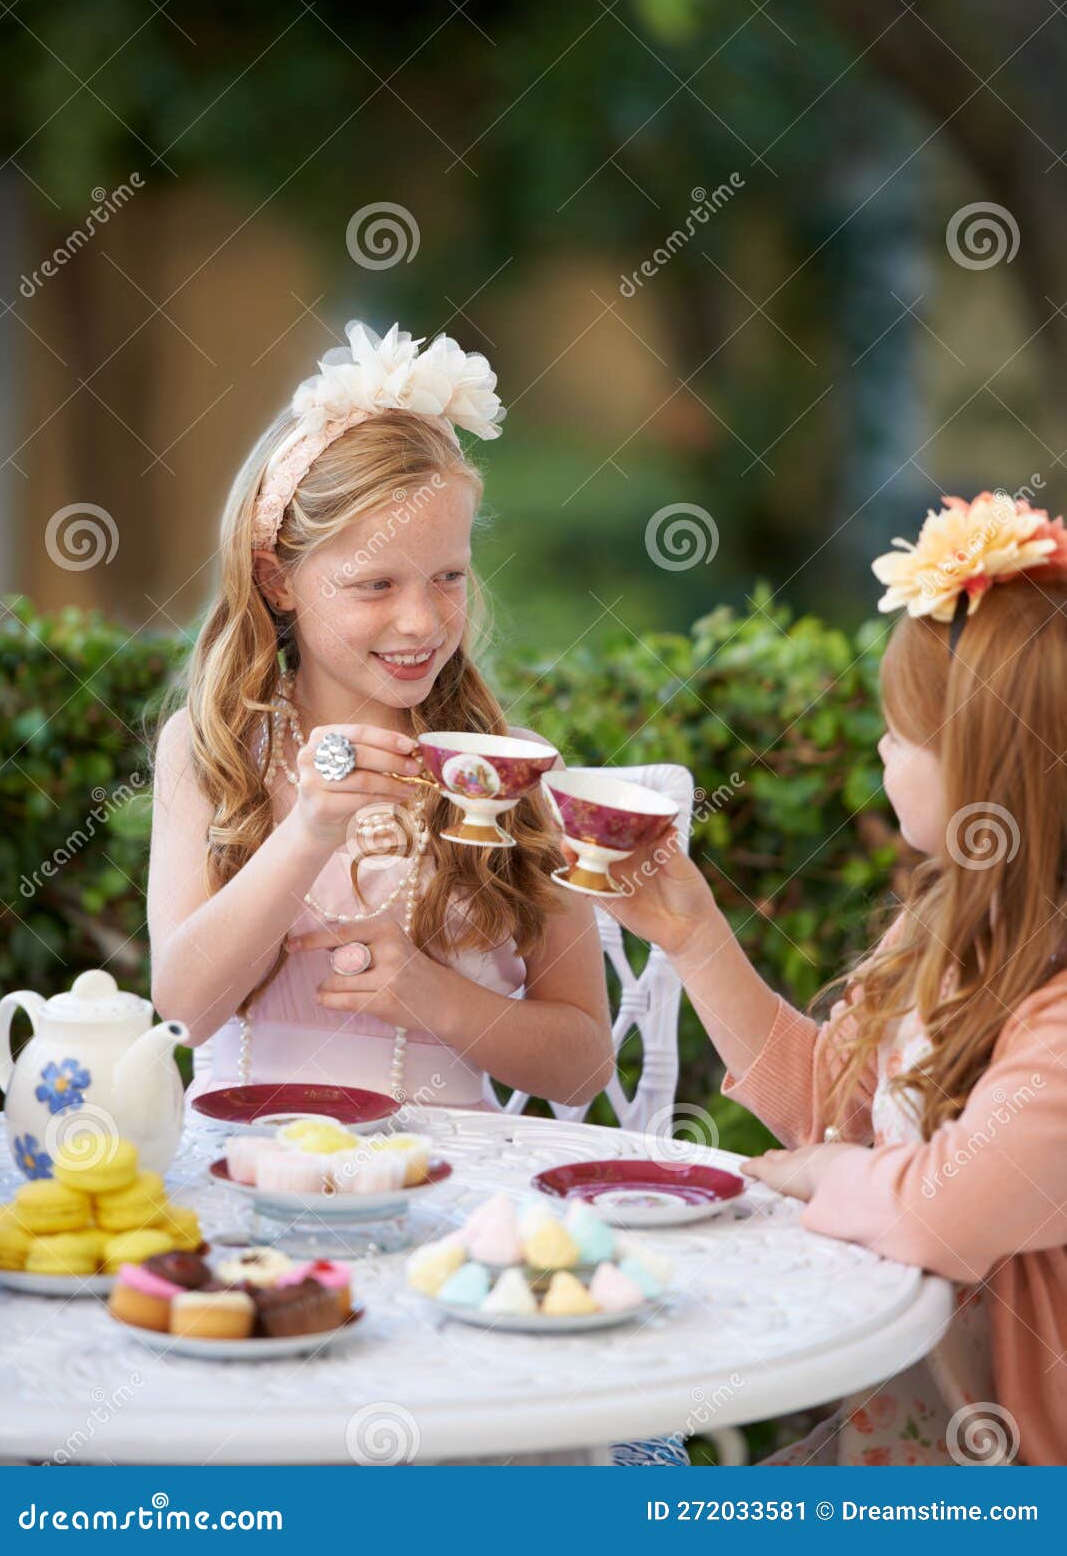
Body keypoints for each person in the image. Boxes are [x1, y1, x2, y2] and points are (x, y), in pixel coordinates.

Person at [576, 492, 1067, 1465]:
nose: (880, 744)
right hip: (882, 1441)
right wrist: (693, 933)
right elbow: (833, 1107)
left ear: (990, 769)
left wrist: (823, 1176)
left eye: (901, 728)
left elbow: (935, 1208)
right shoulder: (942, 941)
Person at [148, 320, 613, 1111]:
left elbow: (582, 1065)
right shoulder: (213, 749)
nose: (422, 623)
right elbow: (184, 1015)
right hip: (250, 1177)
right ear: (279, 579)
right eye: (375, 586)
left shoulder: (511, 771)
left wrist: (432, 995)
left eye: (447, 578)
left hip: (459, 1190)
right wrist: (308, 834)